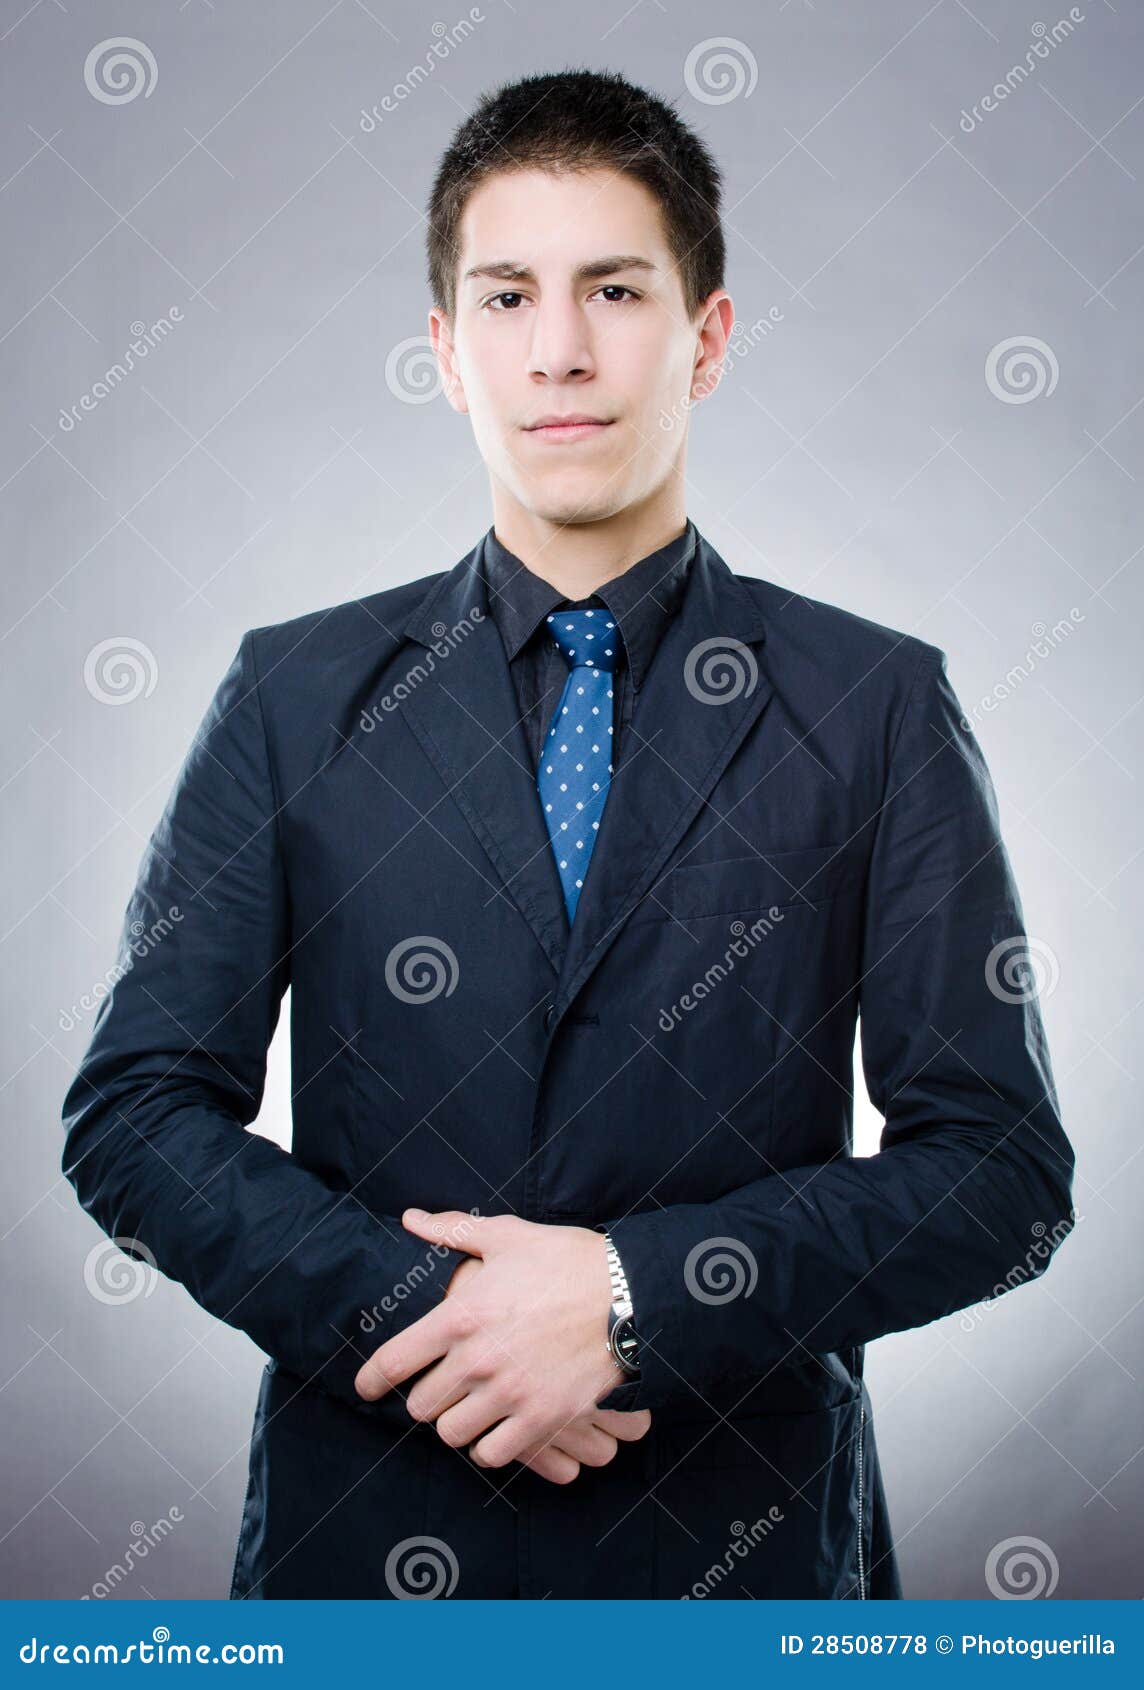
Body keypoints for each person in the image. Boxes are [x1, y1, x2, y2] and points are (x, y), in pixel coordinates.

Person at [61, 67, 1075, 1601]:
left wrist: (626, 1294)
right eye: (507, 297)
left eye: (615, 287)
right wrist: (439, 1315)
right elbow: (134, 1112)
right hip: (368, 1559)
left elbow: (1001, 1171)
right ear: (447, 355)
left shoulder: (873, 703)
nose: (561, 351)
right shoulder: (295, 692)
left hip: (748, 1567)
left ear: (708, 336)